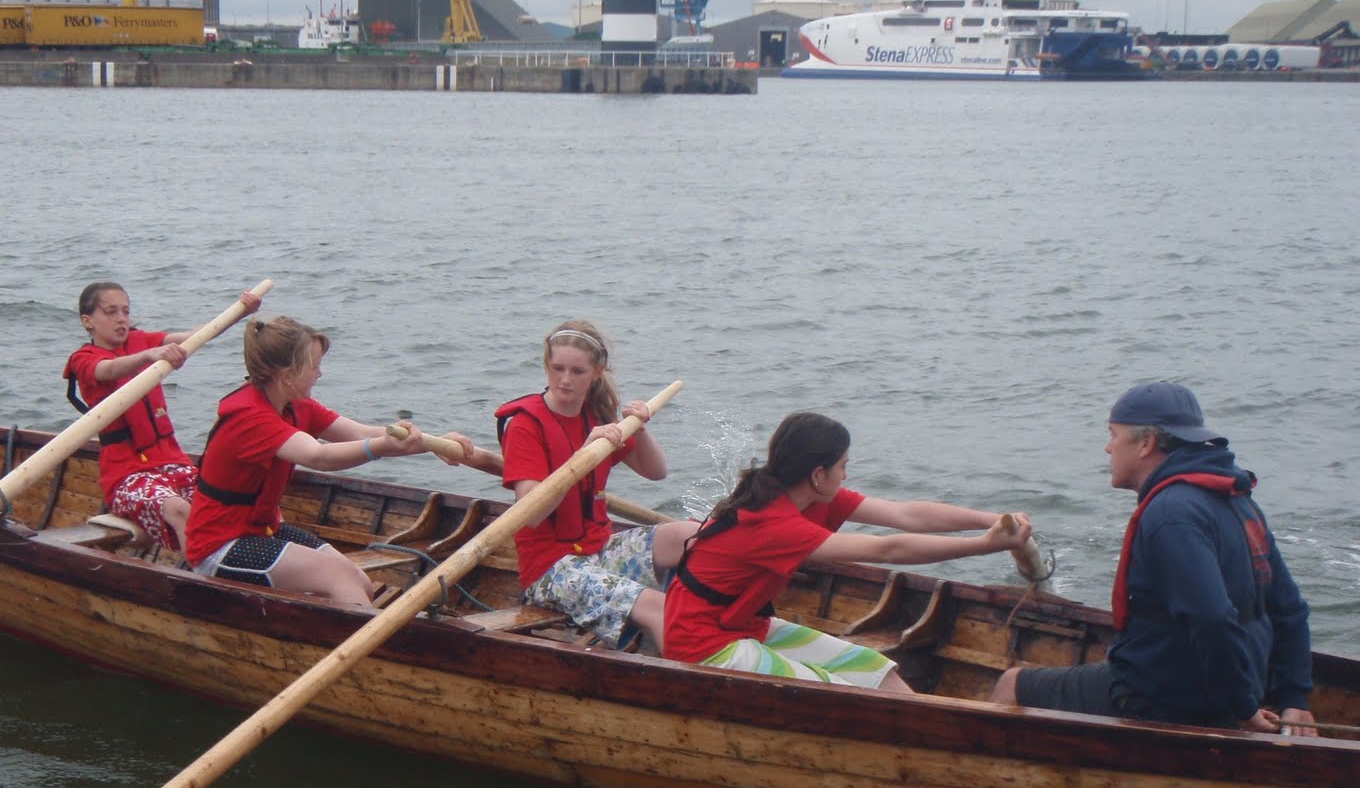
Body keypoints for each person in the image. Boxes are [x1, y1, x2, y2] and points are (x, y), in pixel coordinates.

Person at [992, 381, 1317, 735]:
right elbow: (1290, 609)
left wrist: (1243, 708)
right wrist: (1294, 697)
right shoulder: (1238, 502)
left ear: (1146, 443)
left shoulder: (1170, 513)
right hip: (1229, 685)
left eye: (1113, 434)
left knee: (1011, 684)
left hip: (1166, 697)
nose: (1107, 447)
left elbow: (1211, 619)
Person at [663, 412, 1033, 692]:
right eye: (843, 467)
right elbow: (887, 549)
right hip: (702, 644)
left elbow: (906, 515)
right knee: (842, 693)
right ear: (817, 474)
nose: (846, 476)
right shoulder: (772, 524)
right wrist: (984, 546)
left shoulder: (807, 495)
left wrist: (993, 521)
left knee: (880, 673)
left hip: (746, 625)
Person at [184, 315, 470, 604]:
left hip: (263, 530)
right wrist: (381, 447)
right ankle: (364, 631)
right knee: (338, 577)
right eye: (315, 366)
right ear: (288, 375)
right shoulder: (250, 417)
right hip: (219, 546)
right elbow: (318, 456)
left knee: (359, 581)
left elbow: (359, 433)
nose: (320, 374)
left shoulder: (295, 404)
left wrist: (433, 443)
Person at [497, 319, 697, 653]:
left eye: (577, 371)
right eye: (557, 369)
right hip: (550, 569)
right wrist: (582, 457)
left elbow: (656, 472)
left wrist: (638, 427)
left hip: (599, 550)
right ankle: (686, 671)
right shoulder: (525, 425)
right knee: (658, 607)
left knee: (694, 536)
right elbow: (530, 514)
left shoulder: (597, 416)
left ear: (597, 372)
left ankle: (704, 625)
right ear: (546, 366)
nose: (565, 380)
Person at [63, 281, 262, 556]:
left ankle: (244, 562)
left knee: (229, 498)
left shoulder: (142, 340)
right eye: (111, 312)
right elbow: (107, 369)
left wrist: (240, 313)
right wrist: (148, 355)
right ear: (88, 321)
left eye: (125, 311)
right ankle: (203, 571)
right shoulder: (84, 359)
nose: (121, 319)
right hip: (126, 476)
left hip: (172, 464)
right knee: (179, 508)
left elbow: (195, 336)